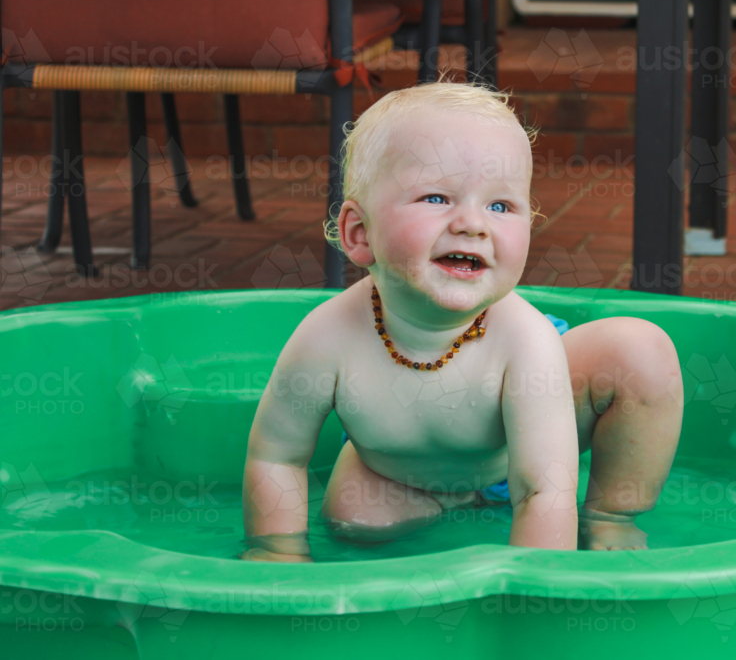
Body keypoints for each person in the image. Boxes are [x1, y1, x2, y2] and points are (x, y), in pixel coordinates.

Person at [240, 78, 683, 561]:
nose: (473, 224)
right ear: (359, 232)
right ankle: (445, 500)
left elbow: (544, 489)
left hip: (520, 450)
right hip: (400, 473)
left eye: (500, 205)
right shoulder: (326, 337)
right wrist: (278, 556)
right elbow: (276, 458)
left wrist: (533, 590)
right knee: (354, 522)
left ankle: (610, 515)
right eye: (436, 198)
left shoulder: (525, 339)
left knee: (639, 351)